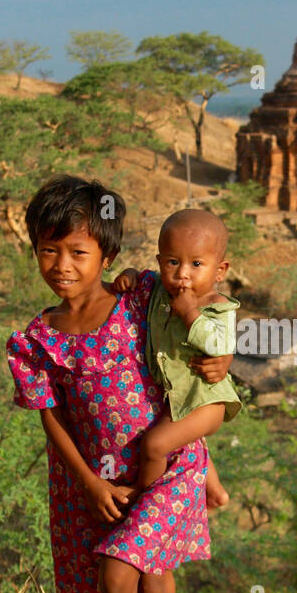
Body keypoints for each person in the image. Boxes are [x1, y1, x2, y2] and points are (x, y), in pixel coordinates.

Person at [5, 176, 231, 593]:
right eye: (48, 250)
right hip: (102, 482)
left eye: (78, 252)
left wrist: (222, 361)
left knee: (117, 570)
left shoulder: (140, 301)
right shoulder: (37, 339)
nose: (62, 264)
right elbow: (50, 418)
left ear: (107, 253)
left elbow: (195, 342)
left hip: (167, 468)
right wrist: (87, 481)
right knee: (151, 591)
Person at [112, 209, 241, 508]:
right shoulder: (159, 289)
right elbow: (142, 280)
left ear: (220, 271)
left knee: (155, 445)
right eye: (173, 262)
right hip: (179, 398)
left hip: (207, 400)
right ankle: (216, 491)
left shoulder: (218, 306)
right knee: (184, 439)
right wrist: (131, 275)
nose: (182, 273)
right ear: (159, 262)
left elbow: (220, 343)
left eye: (196, 264)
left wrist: (189, 313)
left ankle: (144, 500)